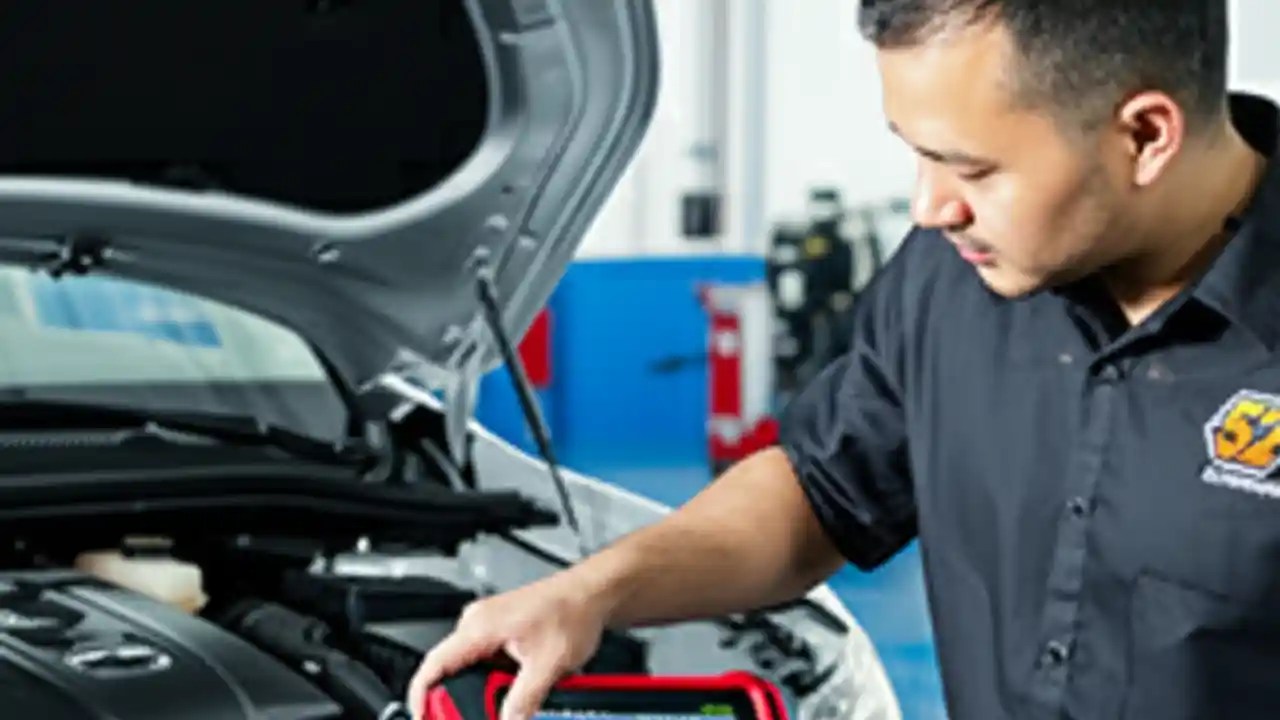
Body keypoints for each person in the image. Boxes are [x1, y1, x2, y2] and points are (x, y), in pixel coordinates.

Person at [411, 1, 1280, 718]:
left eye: (969, 168)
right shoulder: (951, 276)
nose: (930, 206)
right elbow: (820, 491)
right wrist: (591, 593)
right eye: (915, 152)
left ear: (1146, 136)